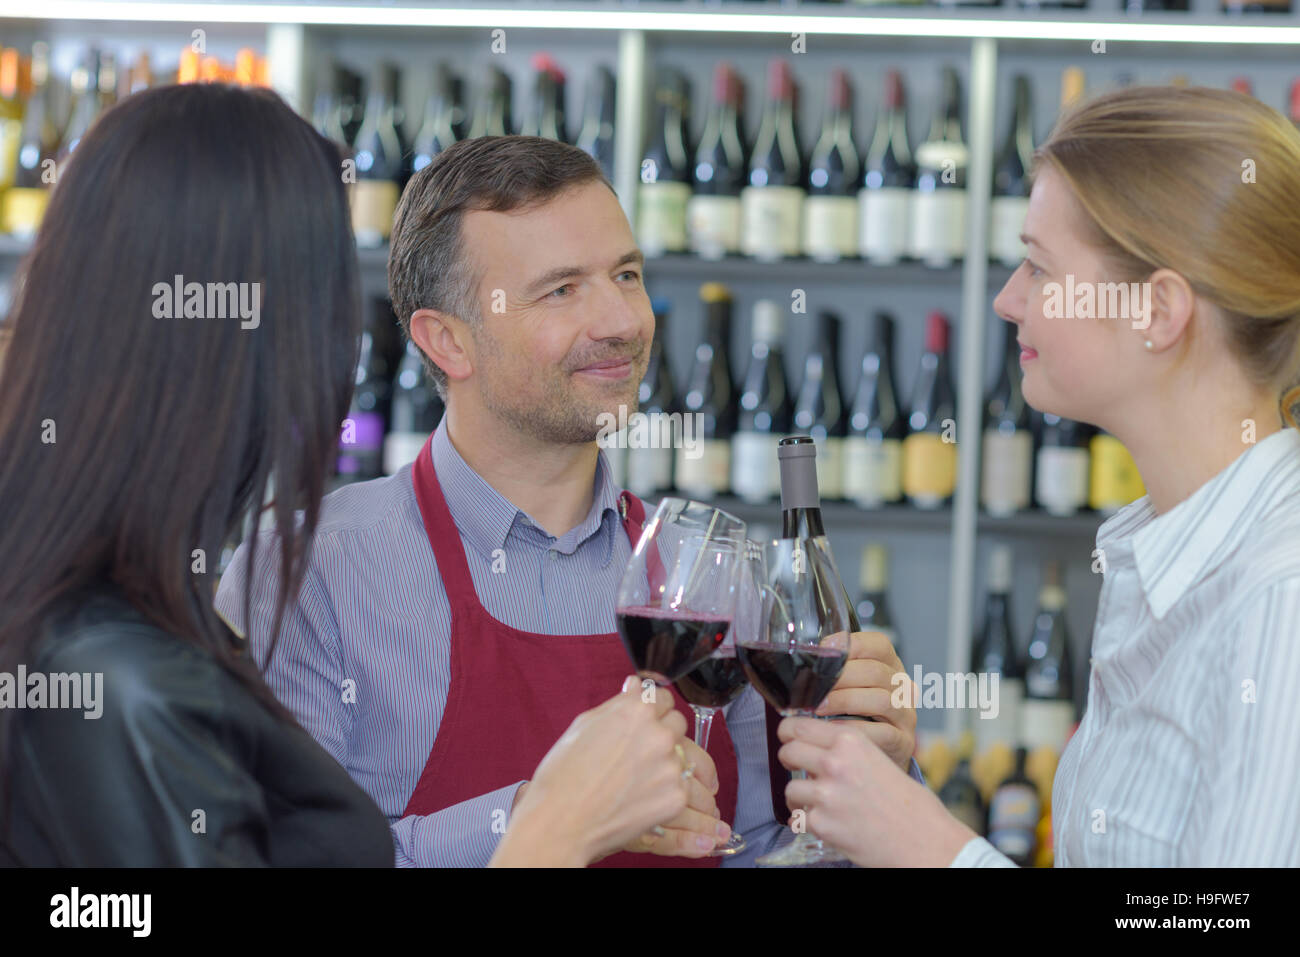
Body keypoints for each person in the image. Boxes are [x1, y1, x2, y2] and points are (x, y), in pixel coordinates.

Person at [0, 83, 693, 867]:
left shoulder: (134, 625)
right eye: (325, 301)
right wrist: (548, 826)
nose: (340, 351)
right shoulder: (121, 679)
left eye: (627, 276)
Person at [216, 133, 923, 867]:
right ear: (447, 341)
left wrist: (873, 779)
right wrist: (539, 814)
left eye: (625, 274)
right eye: (562, 289)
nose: (622, 321)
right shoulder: (307, 570)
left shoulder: (704, 570)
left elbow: (764, 848)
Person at [774, 85, 1300, 867]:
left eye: (1039, 267)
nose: (1007, 299)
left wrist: (938, 852)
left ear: (1156, 311)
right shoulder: (1161, 555)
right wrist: (897, 800)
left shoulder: (1276, 596)